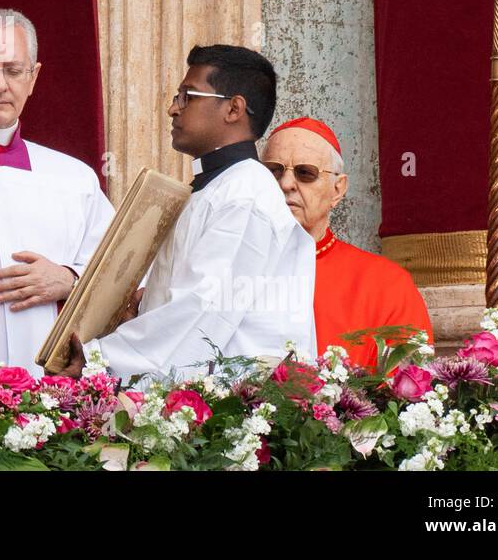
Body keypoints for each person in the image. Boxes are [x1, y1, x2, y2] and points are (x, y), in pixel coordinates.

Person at [61, 44, 315, 379]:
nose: (172, 108)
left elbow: (201, 309)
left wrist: (100, 359)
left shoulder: (245, 195)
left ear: (234, 109)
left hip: (237, 408)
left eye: (187, 96)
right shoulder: (214, 188)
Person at [0, 7, 113, 369]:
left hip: (49, 392)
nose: (0, 85)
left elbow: (121, 274)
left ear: (33, 77)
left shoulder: (73, 178)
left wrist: (70, 279)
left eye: (14, 70)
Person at [262, 116, 433, 370]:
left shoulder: (387, 284)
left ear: (338, 190)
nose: (285, 184)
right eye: (274, 171)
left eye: (305, 173)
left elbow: (407, 392)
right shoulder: (231, 269)